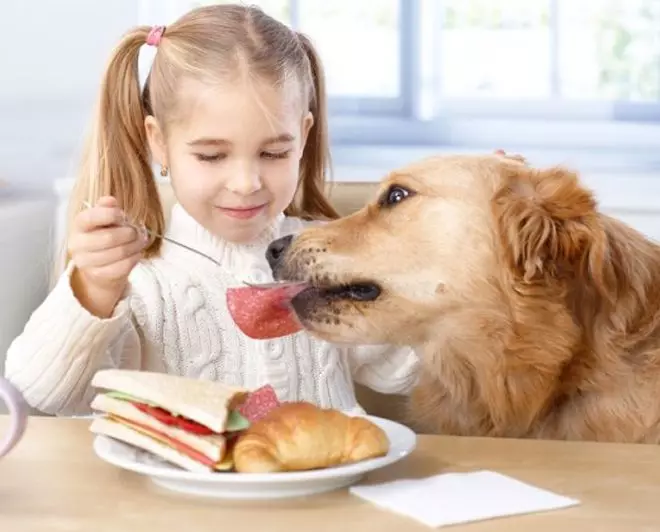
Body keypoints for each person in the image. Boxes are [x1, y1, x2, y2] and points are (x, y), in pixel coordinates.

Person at [4, 4, 419, 416]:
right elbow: (46, 392)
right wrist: (94, 288)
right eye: (211, 156)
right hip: (179, 483)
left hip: (327, 479)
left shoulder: (327, 254)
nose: (246, 182)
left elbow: (404, 371)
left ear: (303, 137)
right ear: (159, 142)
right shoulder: (136, 277)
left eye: (274, 152)